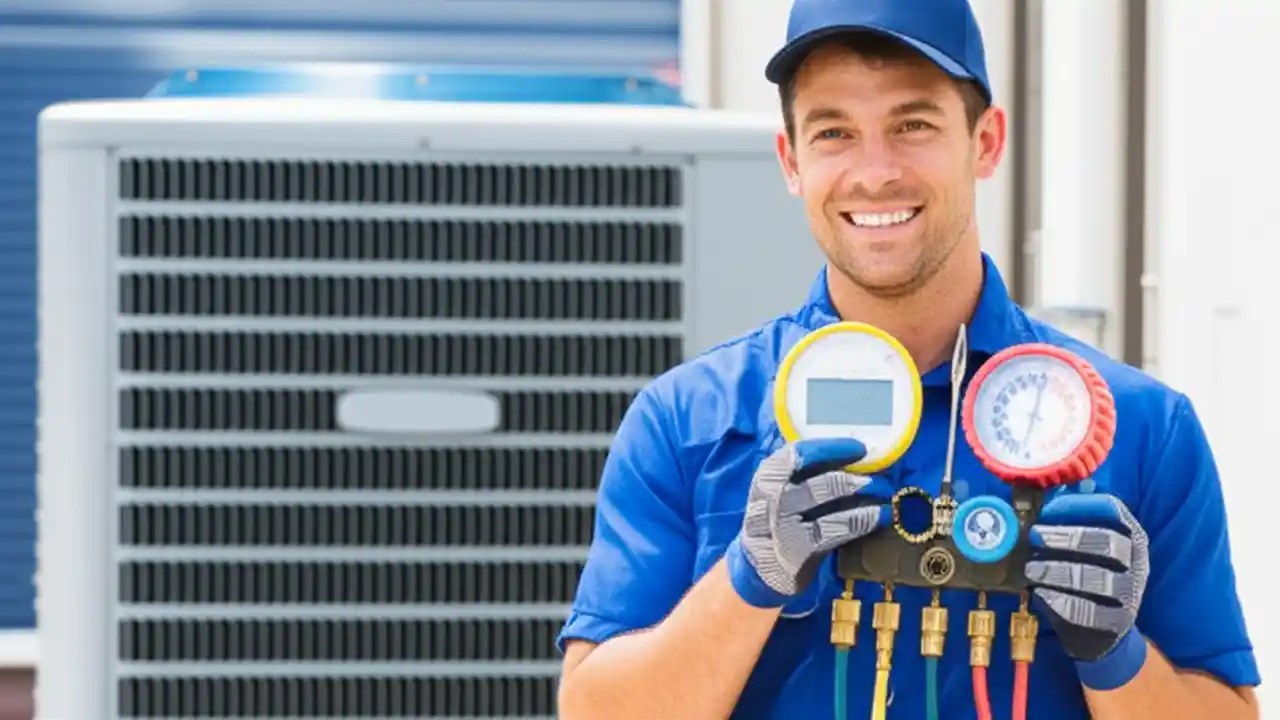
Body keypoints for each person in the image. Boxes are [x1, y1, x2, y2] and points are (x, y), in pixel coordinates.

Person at [554, 0, 1262, 717]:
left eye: (912, 125)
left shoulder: (1139, 427)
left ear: (986, 142)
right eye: (834, 132)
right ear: (791, 161)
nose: (875, 172)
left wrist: (1117, 656)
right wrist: (748, 580)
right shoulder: (689, 421)